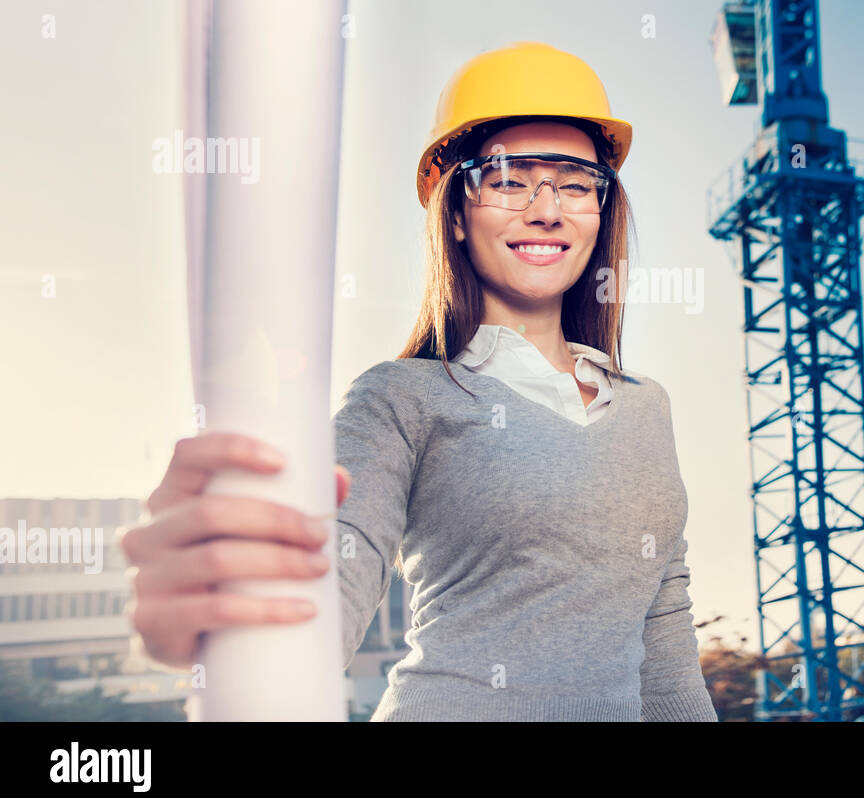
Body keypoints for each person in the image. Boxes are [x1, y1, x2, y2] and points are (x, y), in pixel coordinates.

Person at [120, 41, 718, 722]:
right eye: (509, 179)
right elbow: (328, 584)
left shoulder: (646, 406)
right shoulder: (397, 400)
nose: (547, 209)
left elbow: (666, 634)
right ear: (456, 214)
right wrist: (235, 618)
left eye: (576, 184)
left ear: (600, 211)